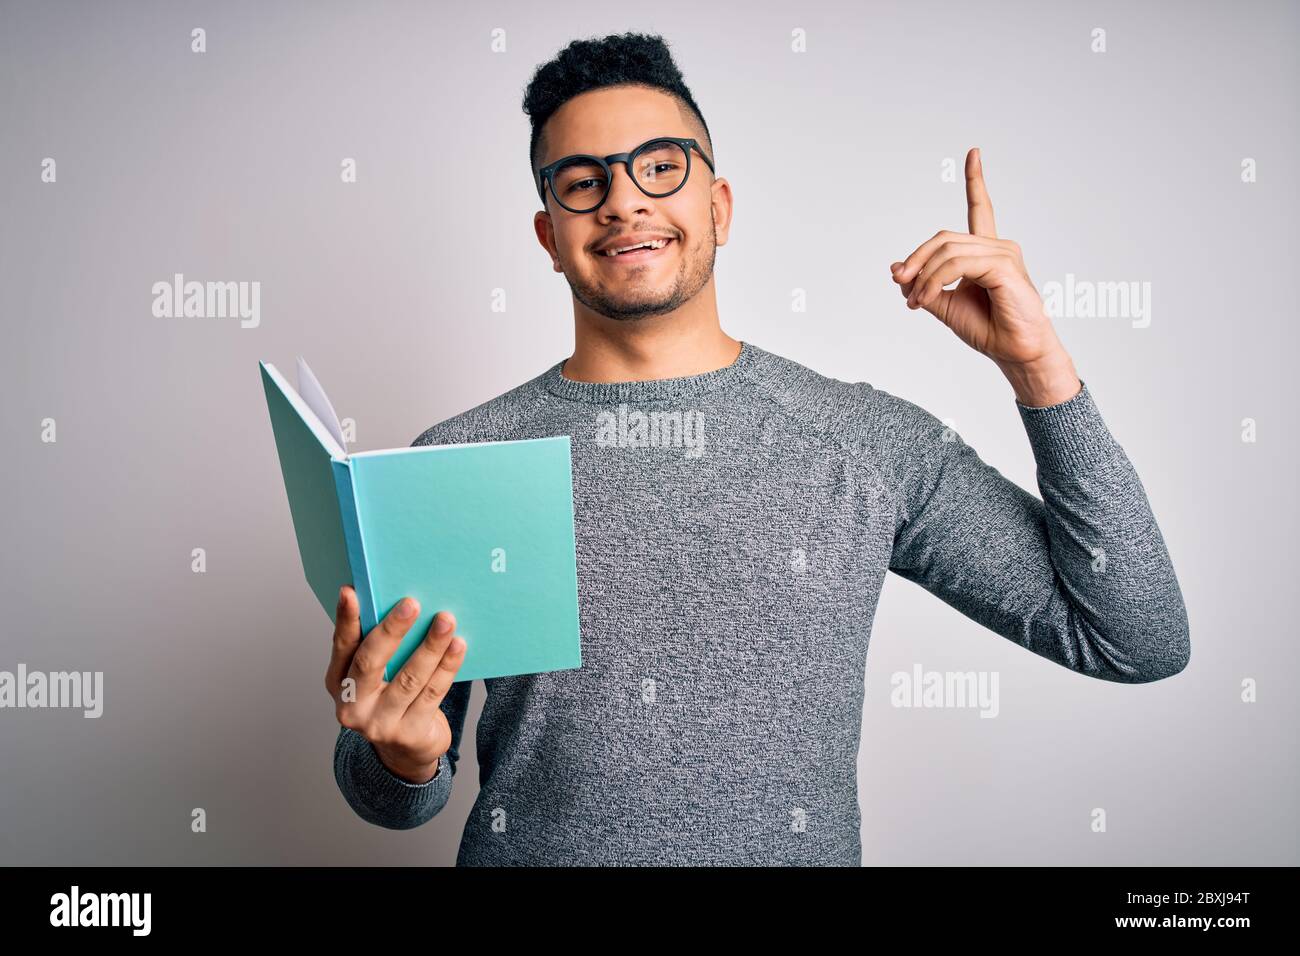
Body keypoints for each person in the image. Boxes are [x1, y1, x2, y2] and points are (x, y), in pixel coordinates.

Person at [324, 31, 1190, 866]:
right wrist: (404, 757)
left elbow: (1135, 640)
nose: (625, 199)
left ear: (719, 206)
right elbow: (390, 793)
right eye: (582, 182)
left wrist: (1041, 371)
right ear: (550, 236)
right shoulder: (459, 461)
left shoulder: (865, 441)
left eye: (660, 167)